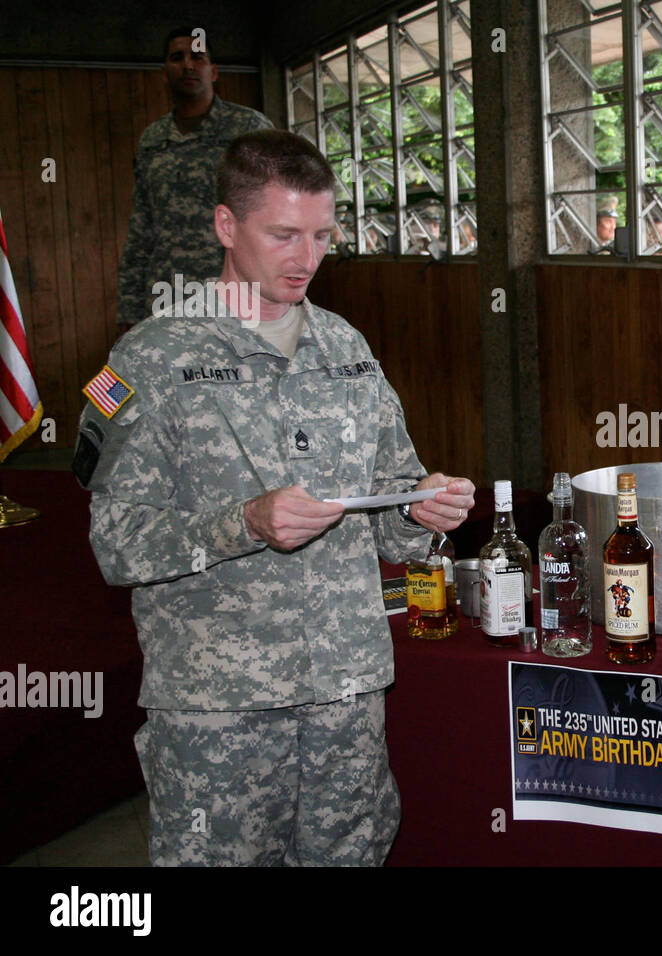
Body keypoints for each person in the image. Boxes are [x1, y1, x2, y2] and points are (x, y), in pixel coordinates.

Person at [74, 129, 476, 866]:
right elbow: (116, 543)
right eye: (284, 234)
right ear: (227, 226)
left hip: (346, 701)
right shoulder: (151, 361)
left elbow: (394, 513)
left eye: (323, 235)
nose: (307, 258)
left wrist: (424, 507)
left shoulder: (347, 349)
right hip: (217, 716)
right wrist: (244, 524)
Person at [118, 27, 272, 331]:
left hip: (234, 293)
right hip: (166, 297)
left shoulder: (249, 129)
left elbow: (275, 213)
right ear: (164, 73)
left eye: (197, 57)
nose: (188, 65)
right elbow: (141, 227)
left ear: (213, 72)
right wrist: (128, 308)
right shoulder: (153, 139)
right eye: (177, 58)